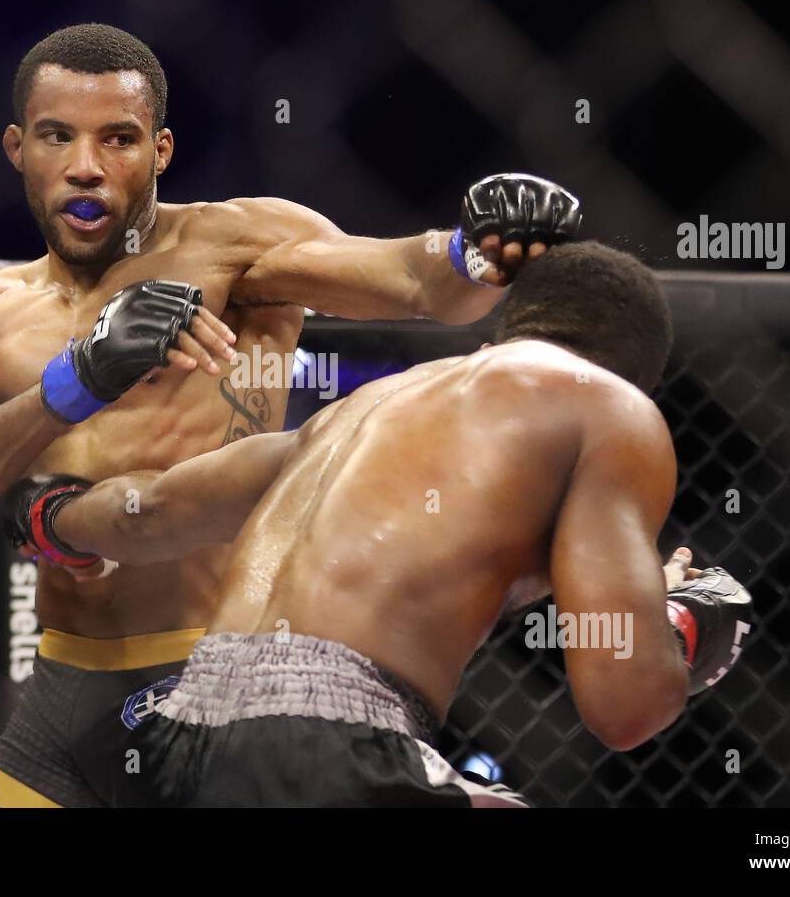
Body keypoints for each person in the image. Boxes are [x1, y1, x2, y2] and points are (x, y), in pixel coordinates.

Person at [0, 21, 581, 807]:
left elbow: (416, 282)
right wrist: (76, 381)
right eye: (57, 137)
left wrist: (474, 251)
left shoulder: (234, 248)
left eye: (118, 139)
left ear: (160, 150)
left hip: (221, 683)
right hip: (63, 695)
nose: (85, 166)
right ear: (17, 148)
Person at [39, 241, 754, 806]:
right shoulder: (612, 409)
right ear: (633, 376)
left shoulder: (355, 413)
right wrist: (677, 624)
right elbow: (623, 703)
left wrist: (46, 517)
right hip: (330, 753)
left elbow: (151, 510)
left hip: (175, 746)